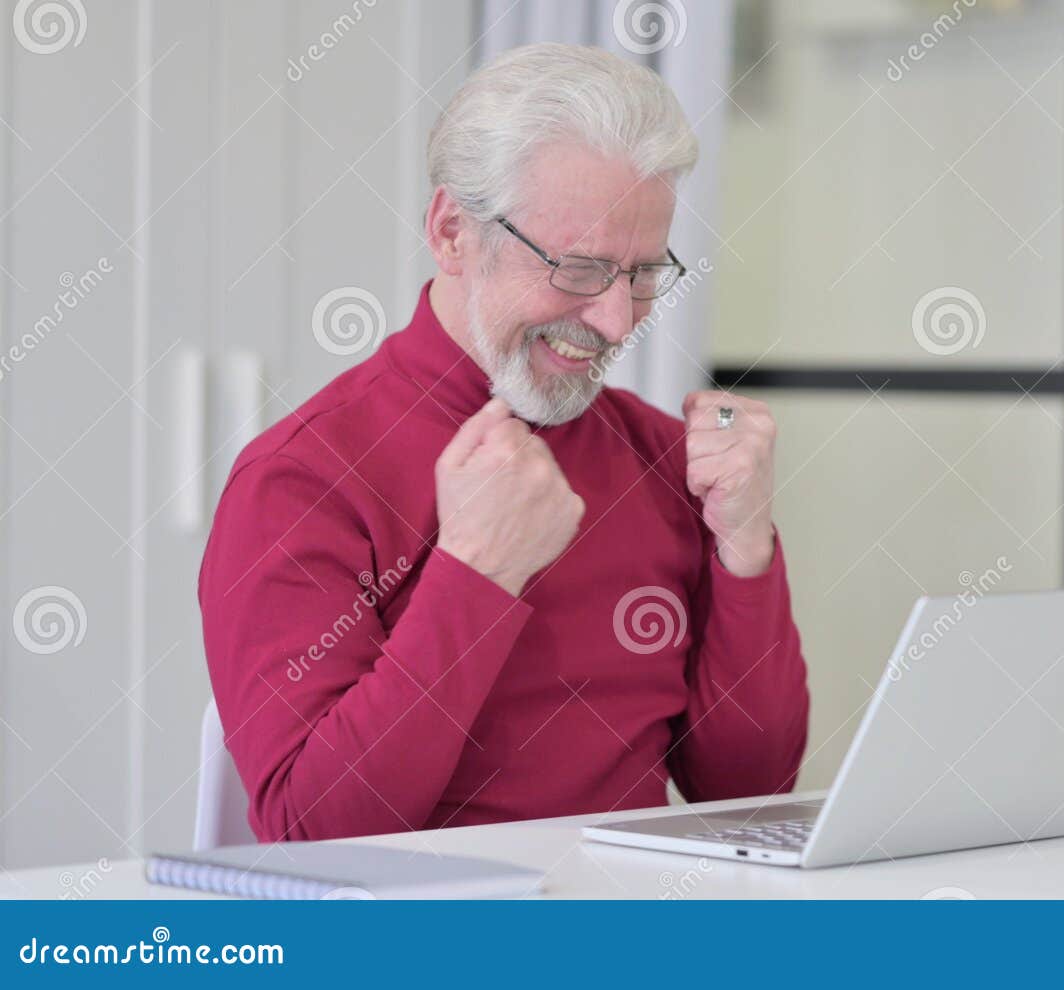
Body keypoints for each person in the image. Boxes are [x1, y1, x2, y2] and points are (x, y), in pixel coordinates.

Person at [197, 43, 809, 842]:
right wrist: (477, 574)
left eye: (644, 274)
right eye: (581, 268)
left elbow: (750, 794)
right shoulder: (302, 481)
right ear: (453, 232)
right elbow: (316, 836)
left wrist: (746, 551)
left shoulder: (666, 462)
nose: (617, 321)